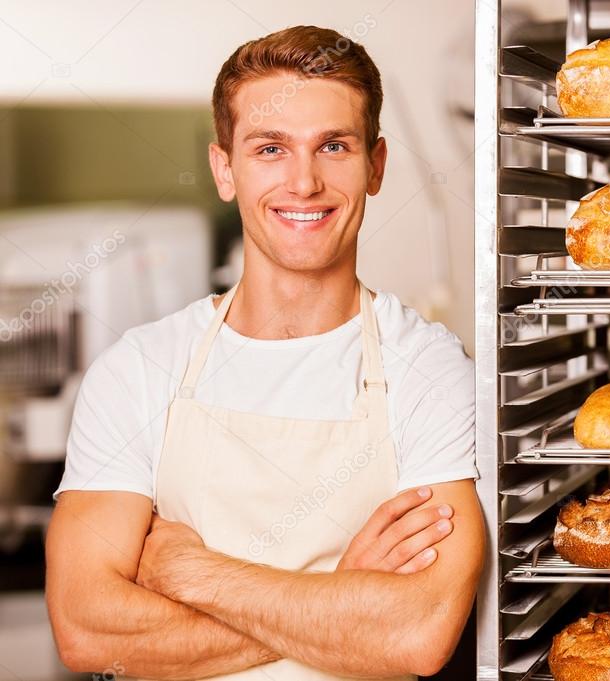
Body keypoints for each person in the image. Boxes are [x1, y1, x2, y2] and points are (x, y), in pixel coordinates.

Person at [44, 25, 482, 680]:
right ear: (225, 168)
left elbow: (418, 633)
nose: (303, 182)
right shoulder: (138, 369)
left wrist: (189, 571)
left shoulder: (429, 369)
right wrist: (340, 593)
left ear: (376, 165)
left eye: (333, 145)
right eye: (270, 148)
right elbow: (85, 629)